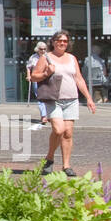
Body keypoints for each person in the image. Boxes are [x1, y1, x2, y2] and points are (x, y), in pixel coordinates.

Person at [29, 30, 96, 176]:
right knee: (58, 130)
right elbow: (34, 77)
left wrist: (89, 98)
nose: (62, 43)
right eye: (59, 40)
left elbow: (78, 79)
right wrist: (46, 73)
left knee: (68, 133)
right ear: (53, 42)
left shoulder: (72, 58)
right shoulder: (46, 58)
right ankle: (50, 157)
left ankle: (66, 166)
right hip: (54, 100)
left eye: (65, 41)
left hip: (71, 100)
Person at [26, 41, 49, 127]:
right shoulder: (33, 57)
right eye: (41, 49)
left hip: (46, 79)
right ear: (37, 49)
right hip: (36, 79)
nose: (43, 51)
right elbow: (28, 67)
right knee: (40, 98)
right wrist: (29, 76)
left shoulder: (48, 56)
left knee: (47, 97)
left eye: (44, 49)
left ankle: (48, 115)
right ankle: (44, 116)